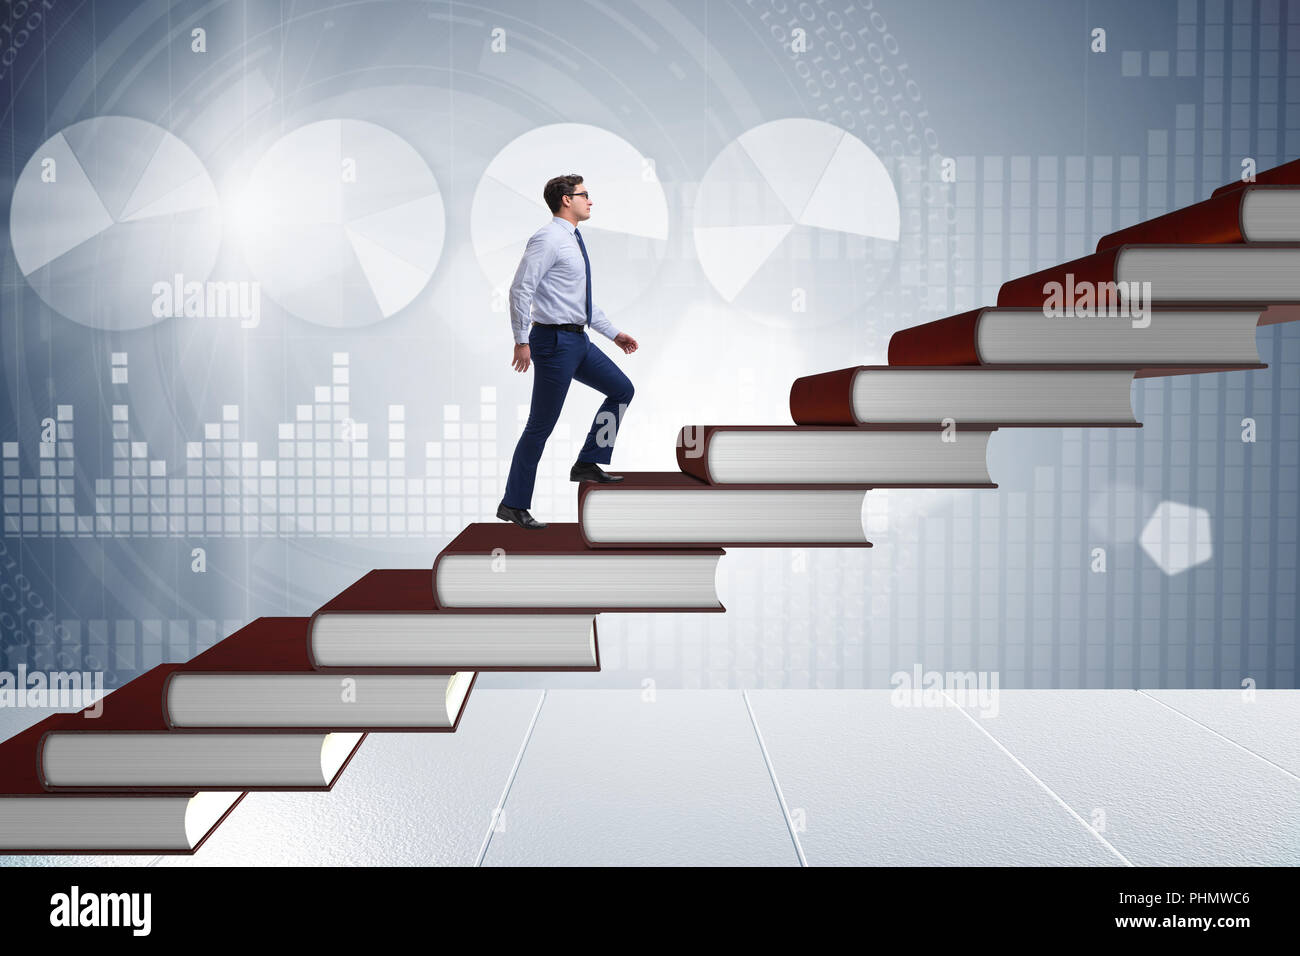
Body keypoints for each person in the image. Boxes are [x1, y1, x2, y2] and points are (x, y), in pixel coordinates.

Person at [497, 174, 639, 530]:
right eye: (585, 195)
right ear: (566, 200)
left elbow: (581, 302)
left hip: (579, 342)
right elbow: (520, 289)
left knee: (622, 390)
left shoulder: (573, 240)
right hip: (553, 343)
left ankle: (588, 461)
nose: (590, 201)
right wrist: (521, 340)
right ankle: (513, 504)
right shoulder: (548, 239)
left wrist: (614, 334)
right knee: (540, 426)